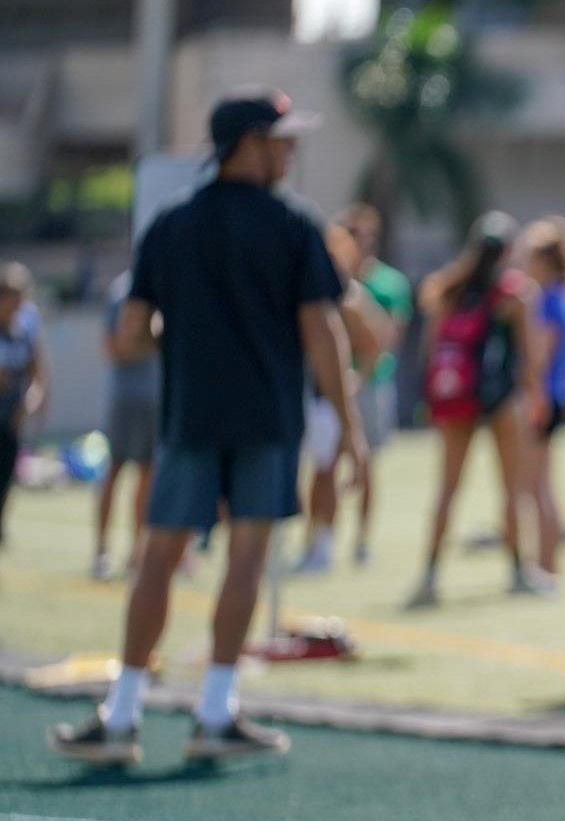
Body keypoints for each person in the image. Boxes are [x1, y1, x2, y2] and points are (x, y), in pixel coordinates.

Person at [49, 88, 363, 766]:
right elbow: (322, 332)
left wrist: (189, 336)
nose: (290, 150)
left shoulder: (171, 225)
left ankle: (122, 712)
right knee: (246, 557)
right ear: (249, 143)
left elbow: (131, 335)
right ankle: (214, 712)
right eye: (280, 138)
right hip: (266, 418)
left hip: (190, 414)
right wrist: (351, 431)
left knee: (158, 557)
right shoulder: (293, 224)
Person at [405, 212, 546, 608]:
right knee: (512, 489)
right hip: (501, 398)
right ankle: (520, 571)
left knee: (447, 490)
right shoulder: (516, 294)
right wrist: (533, 395)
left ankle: (429, 576)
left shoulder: (449, 289)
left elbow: (430, 351)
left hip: (459, 397)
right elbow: (530, 357)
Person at [293, 219, 387, 574]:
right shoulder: (317, 293)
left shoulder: (348, 298)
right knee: (316, 473)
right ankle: (313, 540)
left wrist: (352, 382)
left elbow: (375, 344)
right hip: (311, 395)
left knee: (328, 472)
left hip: (329, 399)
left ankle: (325, 543)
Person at [340, 203, 412, 566]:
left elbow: (388, 337)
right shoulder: (329, 278)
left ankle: (362, 540)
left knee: (367, 463)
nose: (360, 242)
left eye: (365, 235)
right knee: (324, 464)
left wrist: (361, 376)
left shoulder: (389, 283)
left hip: (371, 385)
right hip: (330, 385)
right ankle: (320, 541)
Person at [520, 215, 565, 582]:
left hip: (543, 397)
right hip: (556, 394)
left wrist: (532, 394)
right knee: (542, 484)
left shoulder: (548, 299)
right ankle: (547, 563)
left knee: (538, 486)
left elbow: (540, 356)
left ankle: (545, 565)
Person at [91, 269, 162, 580]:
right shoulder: (123, 290)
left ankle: (138, 551)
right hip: (126, 398)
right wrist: (148, 339)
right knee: (115, 468)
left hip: (155, 398)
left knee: (148, 474)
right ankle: (101, 549)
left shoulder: (165, 286)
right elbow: (115, 345)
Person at [0, 262, 47, 552]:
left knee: (5, 477)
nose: (16, 303)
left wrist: (31, 400)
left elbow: (37, 375)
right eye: (10, 295)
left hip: (10, 419)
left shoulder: (23, 332)